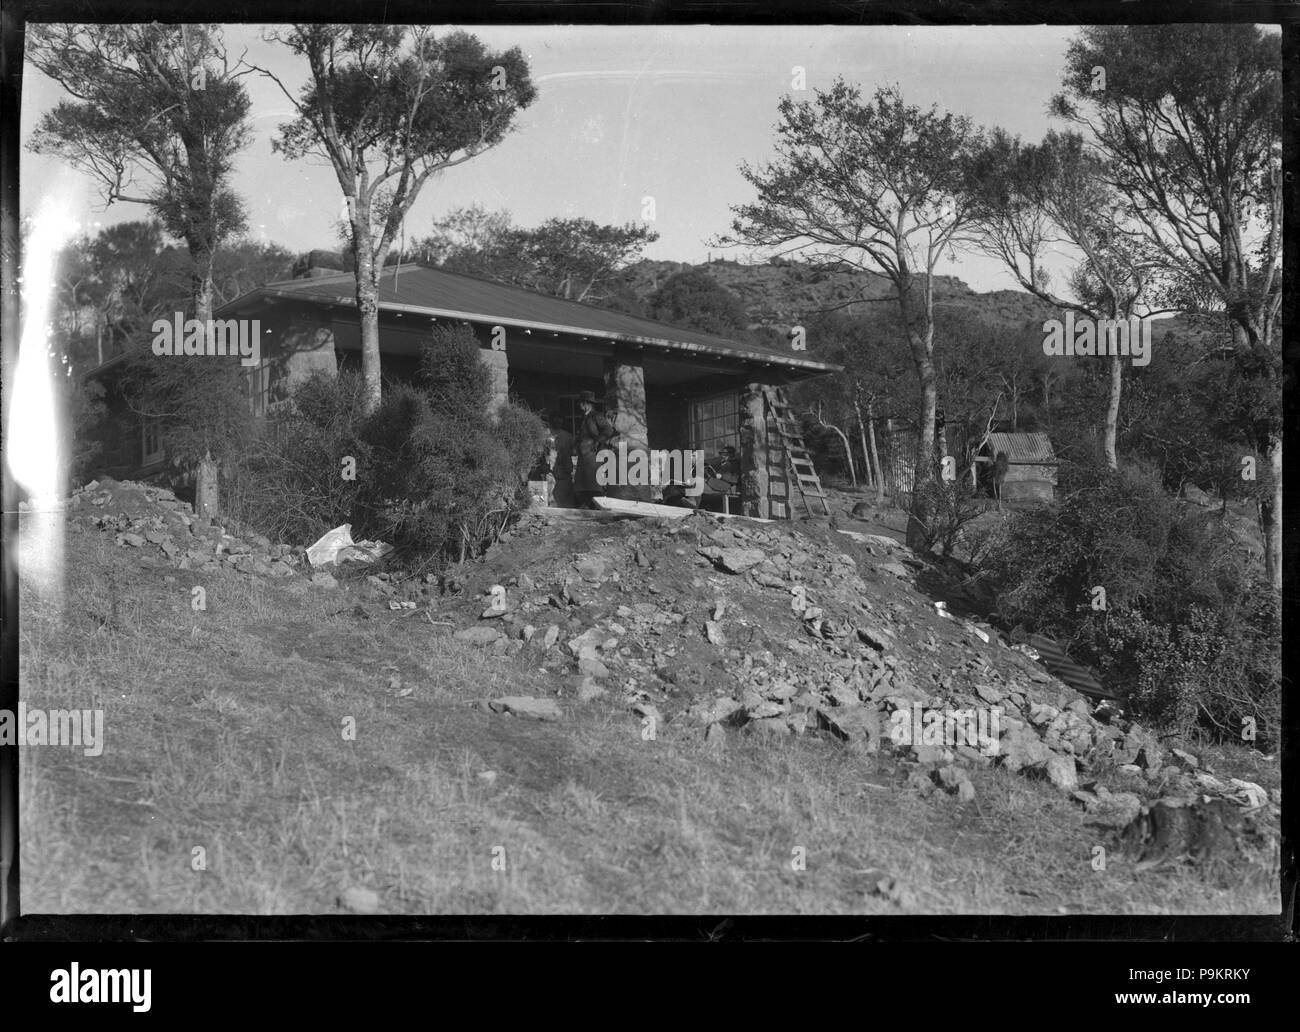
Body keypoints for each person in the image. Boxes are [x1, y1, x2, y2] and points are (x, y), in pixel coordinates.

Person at [573, 390, 615, 509]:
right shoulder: (584, 418)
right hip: (583, 455)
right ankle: (585, 507)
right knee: (582, 484)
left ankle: (596, 507)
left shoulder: (596, 416)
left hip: (592, 455)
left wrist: (598, 441)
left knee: (592, 483)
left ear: (586, 403)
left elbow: (608, 430)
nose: (580, 405)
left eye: (581, 402)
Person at [547, 411, 577, 508]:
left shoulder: (568, 436)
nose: (557, 421)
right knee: (551, 499)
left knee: (565, 501)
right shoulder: (546, 434)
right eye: (555, 418)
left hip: (565, 472)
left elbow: (574, 451)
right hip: (551, 471)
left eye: (560, 418)